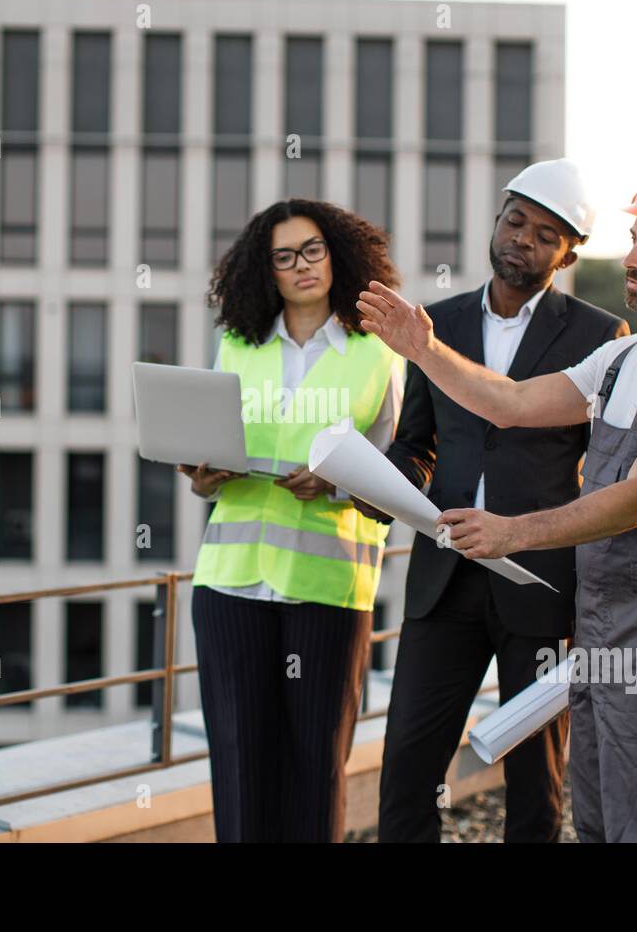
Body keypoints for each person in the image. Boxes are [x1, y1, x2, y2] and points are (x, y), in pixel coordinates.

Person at [358, 156, 637, 842]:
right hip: (599, 630)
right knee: (599, 820)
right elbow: (514, 403)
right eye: (635, 239)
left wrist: (512, 533)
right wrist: (424, 349)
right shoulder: (626, 357)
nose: (630, 256)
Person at [367, 160, 628, 842]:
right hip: (443, 579)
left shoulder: (601, 338)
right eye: (516, 222)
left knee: (536, 785)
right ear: (497, 220)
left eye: (545, 235)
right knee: (407, 773)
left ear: (567, 254)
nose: (523, 240)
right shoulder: (437, 325)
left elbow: (607, 473)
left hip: (540, 583)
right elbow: (417, 443)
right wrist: (370, 483)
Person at [180, 198, 404, 842]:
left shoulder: (379, 352)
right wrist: (203, 476)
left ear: (337, 254)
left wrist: (338, 483)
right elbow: (213, 445)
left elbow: (402, 472)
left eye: (312, 249)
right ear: (265, 270)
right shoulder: (236, 345)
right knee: (241, 766)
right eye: (284, 257)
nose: (301, 265)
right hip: (229, 584)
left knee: (316, 770)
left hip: (329, 585)